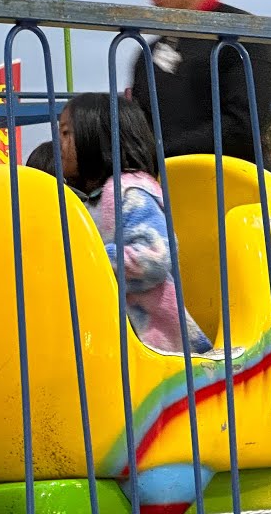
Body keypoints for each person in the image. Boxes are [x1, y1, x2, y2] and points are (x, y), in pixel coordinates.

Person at [58, 92, 212, 355]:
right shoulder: (83, 200)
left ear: (96, 137)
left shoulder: (129, 191)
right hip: (112, 335)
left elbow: (155, 257)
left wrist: (90, 261)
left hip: (152, 341)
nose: (58, 144)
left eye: (65, 133)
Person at [119, 0, 271, 163]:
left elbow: (242, 129)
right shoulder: (146, 54)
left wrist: (159, 154)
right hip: (166, 189)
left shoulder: (247, 36)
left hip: (233, 189)